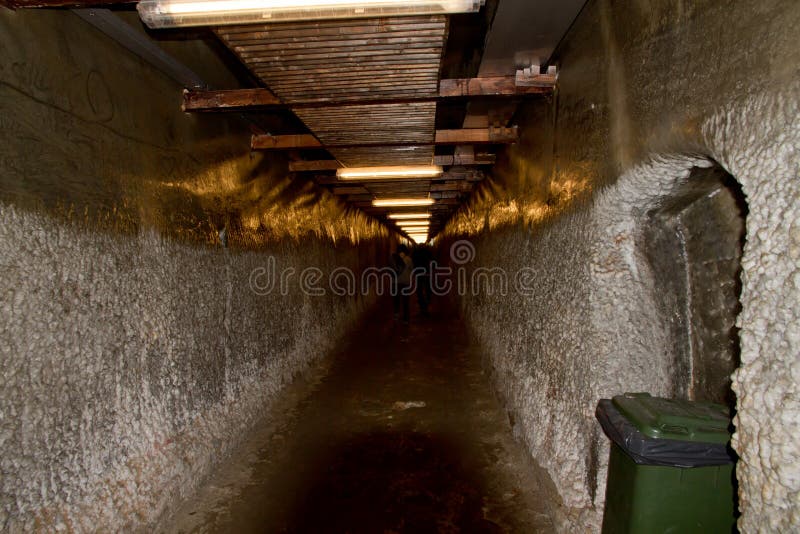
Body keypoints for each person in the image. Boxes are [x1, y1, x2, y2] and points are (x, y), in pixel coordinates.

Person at [392, 245, 413, 323]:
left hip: (395, 282)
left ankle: (396, 315)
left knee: (396, 300)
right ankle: (406, 318)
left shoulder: (394, 259)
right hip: (406, 282)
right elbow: (412, 269)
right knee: (405, 300)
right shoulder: (409, 259)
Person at [412, 244, 433, 316]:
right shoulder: (427, 252)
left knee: (419, 289)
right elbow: (431, 260)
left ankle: (422, 303)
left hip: (419, 273)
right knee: (427, 287)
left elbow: (413, 263)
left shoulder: (415, 253)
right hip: (426, 272)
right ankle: (427, 301)